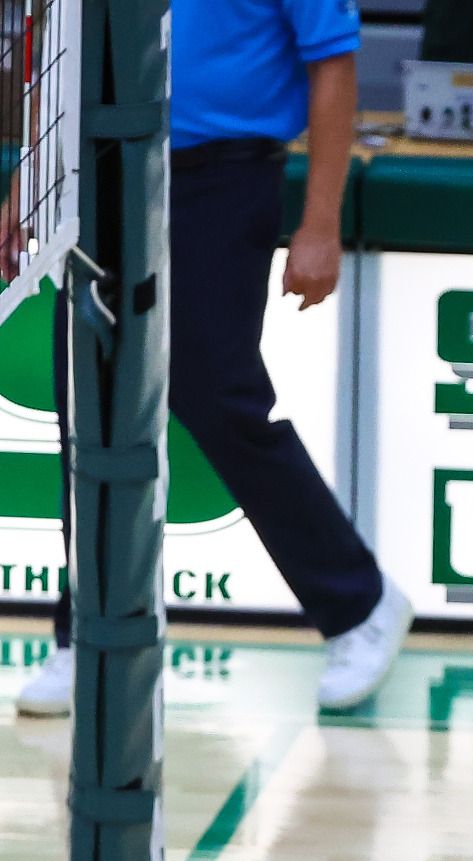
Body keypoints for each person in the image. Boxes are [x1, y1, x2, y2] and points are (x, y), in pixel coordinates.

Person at [14, 0, 411, 717]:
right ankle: (85, 635)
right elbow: (59, 50)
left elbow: (334, 65)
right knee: (86, 395)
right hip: (101, 163)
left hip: (222, 176)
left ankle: (361, 603)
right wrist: (26, 181)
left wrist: (321, 222)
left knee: (220, 394)